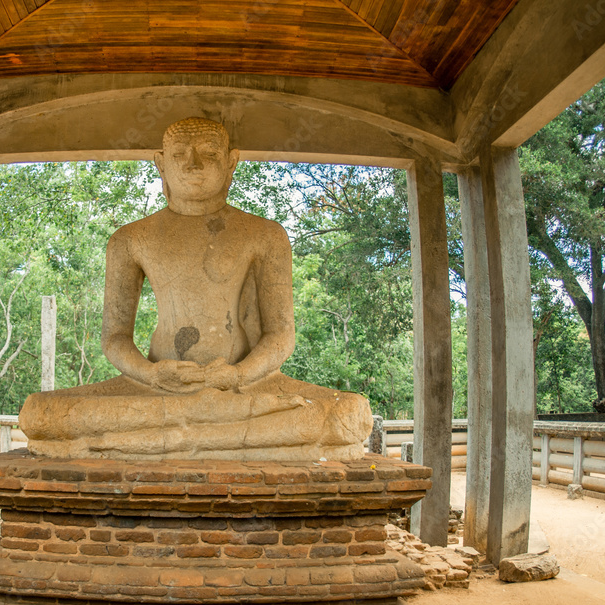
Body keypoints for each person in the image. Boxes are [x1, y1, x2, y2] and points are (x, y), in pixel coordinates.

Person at [19, 117, 371, 460]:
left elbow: (281, 335)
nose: (193, 164)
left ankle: (148, 441)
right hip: (157, 391)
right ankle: (217, 436)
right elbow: (114, 339)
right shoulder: (130, 239)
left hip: (245, 388)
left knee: (348, 414)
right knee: (40, 413)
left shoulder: (265, 235)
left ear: (231, 162)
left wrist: (237, 375)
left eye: (209, 154)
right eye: (179, 155)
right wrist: (152, 374)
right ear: (160, 163)